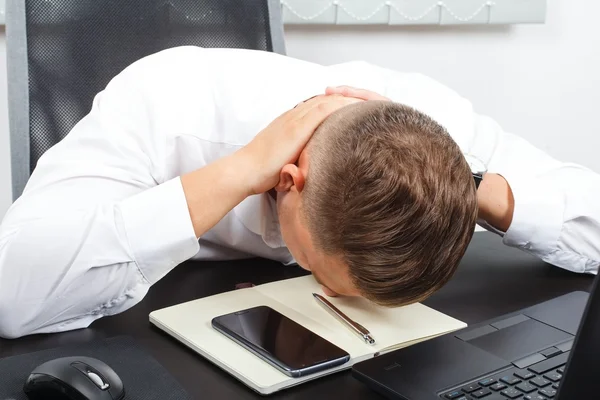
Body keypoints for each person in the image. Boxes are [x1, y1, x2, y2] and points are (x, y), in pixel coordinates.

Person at [0, 47, 598, 339]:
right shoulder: (160, 105)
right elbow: (12, 290)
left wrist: (471, 188)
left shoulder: (431, 120)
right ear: (287, 183)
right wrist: (240, 170)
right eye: (318, 268)